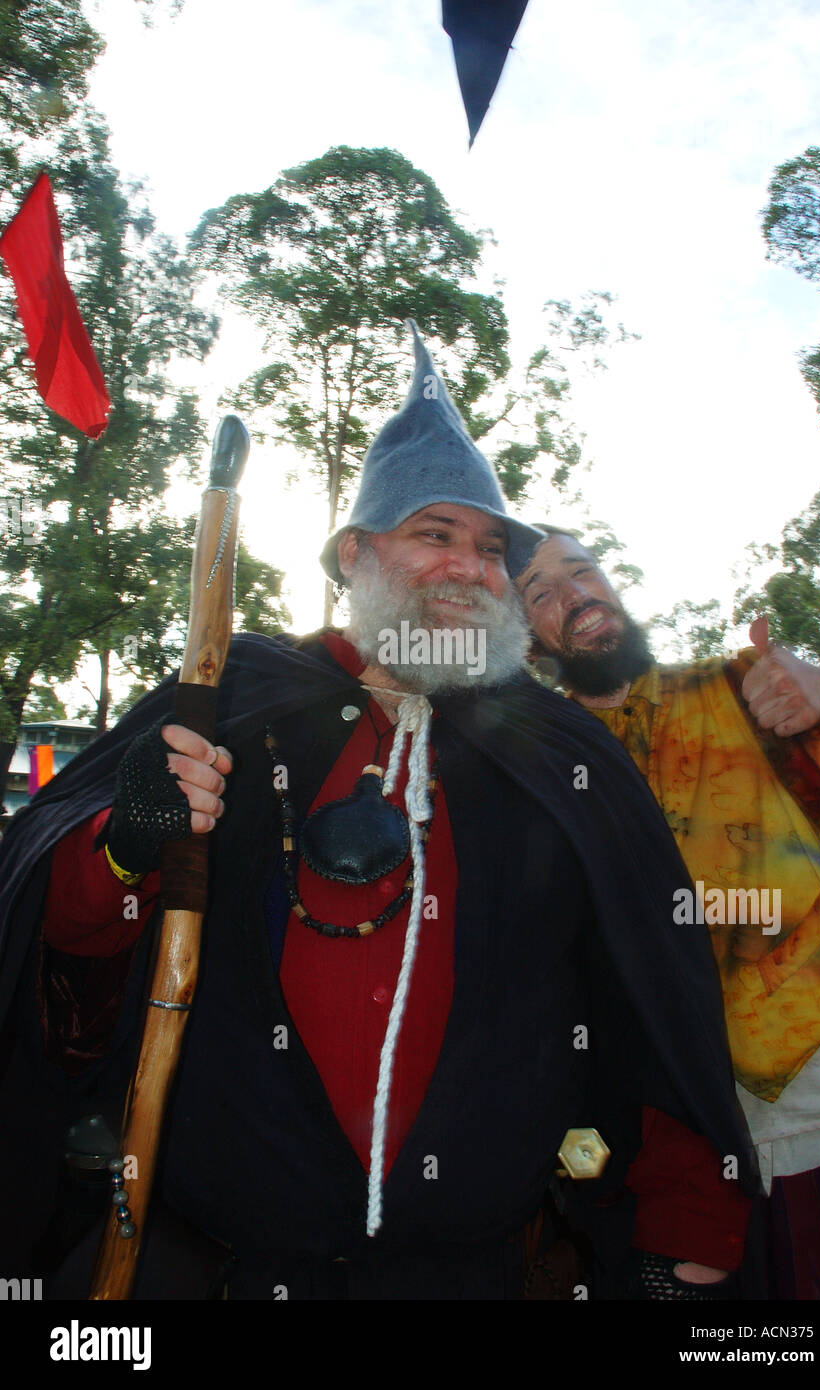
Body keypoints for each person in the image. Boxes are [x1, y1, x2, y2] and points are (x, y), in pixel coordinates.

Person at [0, 327, 751, 1301]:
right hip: (216, 1264)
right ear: (356, 553)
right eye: (434, 534)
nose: (469, 567)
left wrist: (691, 1217)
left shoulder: (556, 752)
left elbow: (649, 988)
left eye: (491, 550)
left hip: (475, 1271)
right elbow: (61, 948)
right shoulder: (228, 700)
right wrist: (126, 842)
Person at [517, 525, 820, 1299]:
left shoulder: (737, 687)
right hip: (658, 1128)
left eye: (582, 571)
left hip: (819, 1080)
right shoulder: (537, 759)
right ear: (527, 640)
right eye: (541, 591)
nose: (575, 594)